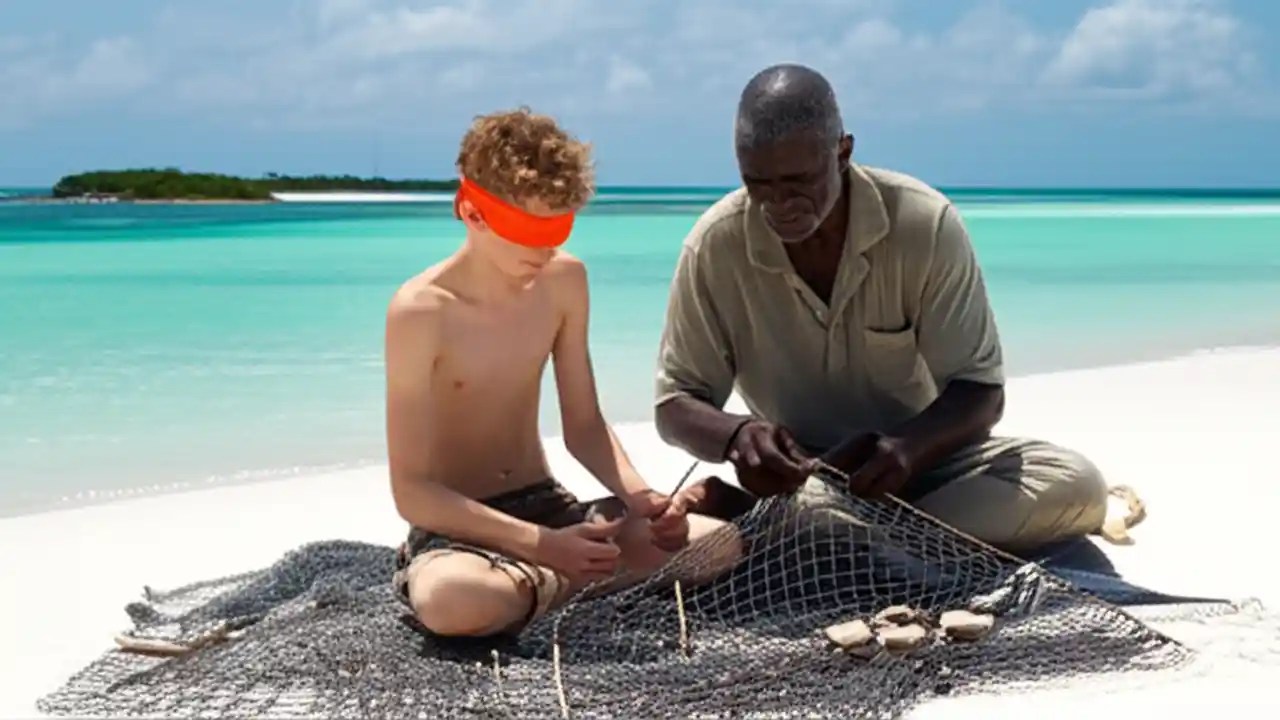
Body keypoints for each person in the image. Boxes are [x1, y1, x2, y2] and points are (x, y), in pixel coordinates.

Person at [653, 64, 1110, 554]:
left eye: (799, 181)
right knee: (816, 508)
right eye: (758, 182)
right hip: (804, 475)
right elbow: (674, 404)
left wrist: (907, 451)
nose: (779, 203)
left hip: (925, 462)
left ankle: (815, 535)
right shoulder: (714, 245)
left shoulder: (923, 223)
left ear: (843, 152)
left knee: (1077, 483)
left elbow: (980, 393)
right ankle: (842, 532)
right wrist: (739, 434)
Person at [385, 107, 732, 638]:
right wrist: (542, 547)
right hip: (461, 528)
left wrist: (642, 499)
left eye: (560, 226)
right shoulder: (421, 311)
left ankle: (548, 585)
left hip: (549, 507)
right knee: (451, 600)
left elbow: (585, 428)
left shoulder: (564, 281)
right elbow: (412, 493)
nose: (548, 248)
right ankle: (565, 578)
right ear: (474, 214)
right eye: (529, 229)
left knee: (719, 544)